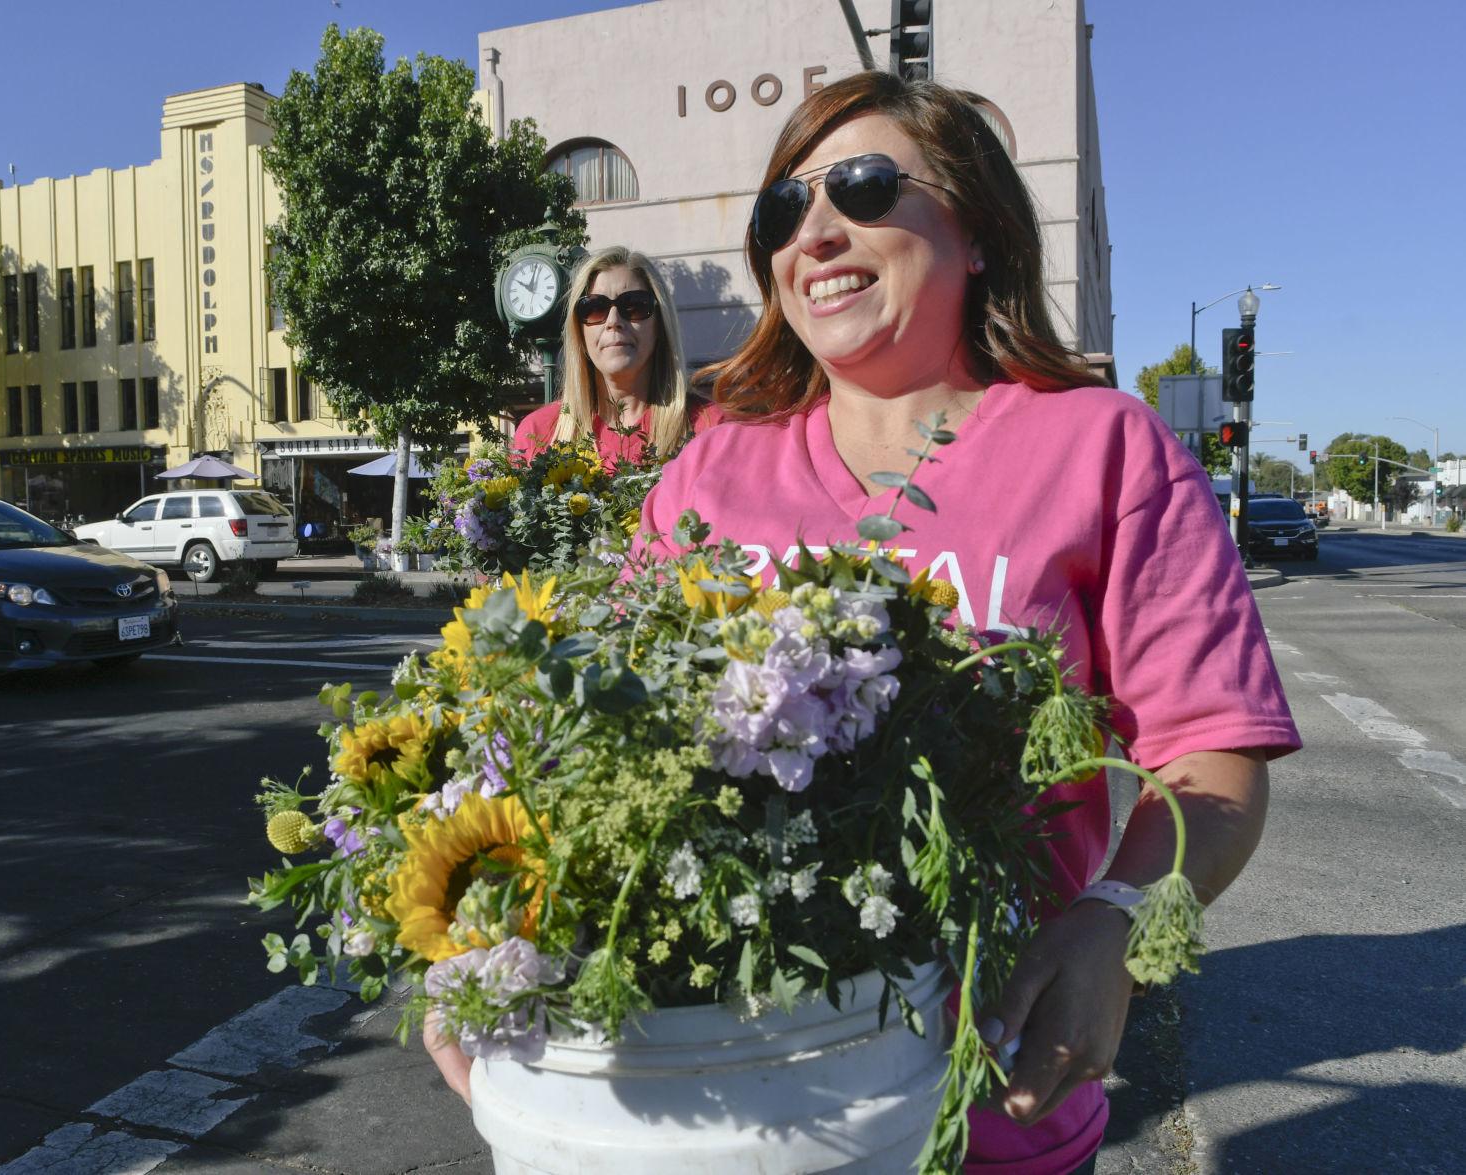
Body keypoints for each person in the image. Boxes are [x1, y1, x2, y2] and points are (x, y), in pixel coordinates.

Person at [627, 73, 1300, 1173]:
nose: (816, 230)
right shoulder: (706, 471)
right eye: (781, 209)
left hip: (983, 1100)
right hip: (715, 1096)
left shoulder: (1103, 449)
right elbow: (589, 746)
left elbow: (1212, 757)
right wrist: (493, 946)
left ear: (979, 229)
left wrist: (1111, 924)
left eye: (862, 185)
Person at [511, 246, 721, 469]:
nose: (613, 320)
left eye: (634, 306)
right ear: (579, 332)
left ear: (660, 324)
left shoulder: (711, 429)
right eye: (594, 308)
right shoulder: (538, 434)